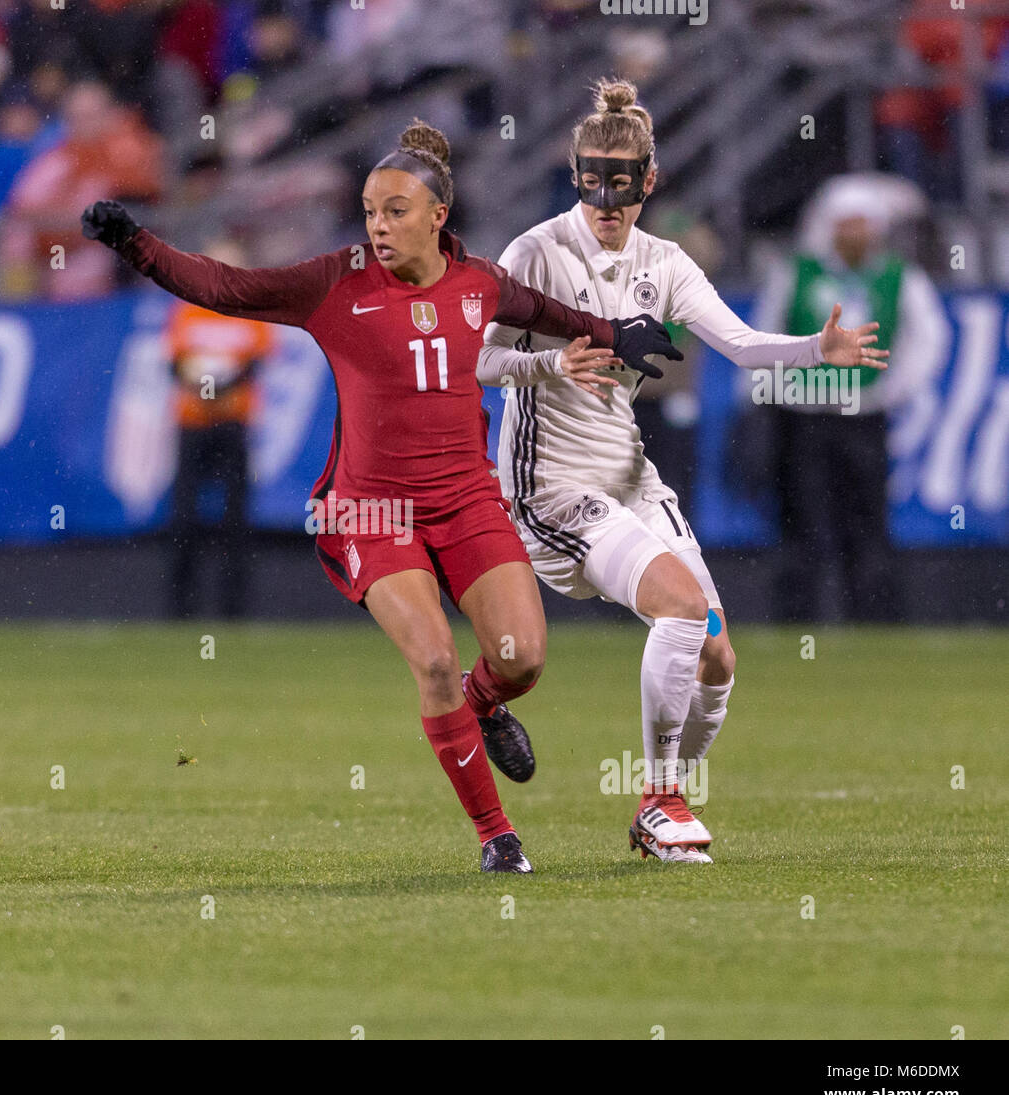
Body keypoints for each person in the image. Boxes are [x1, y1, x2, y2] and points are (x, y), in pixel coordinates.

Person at [84, 119, 679, 873]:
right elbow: (225, 288)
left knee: (521, 657)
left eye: (396, 209)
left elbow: (545, 313)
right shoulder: (337, 281)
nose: (378, 224)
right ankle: (498, 838)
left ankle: (484, 702)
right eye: (369, 209)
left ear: (438, 216)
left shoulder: (478, 282)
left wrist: (615, 332)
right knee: (432, 660)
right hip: (372, 509)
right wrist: (136, 243)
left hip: (466, 499)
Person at [477, 79, 887, 863]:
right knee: (682, 609)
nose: (606, 200)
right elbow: (475, 361)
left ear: (650, 181)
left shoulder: (665, 262)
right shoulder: (533, 253)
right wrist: (553, 363)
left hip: (633, 480)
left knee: (717, 655)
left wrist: (814, 350)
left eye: (621, 183)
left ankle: (655, 805)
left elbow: (740, 343)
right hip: (551, 486)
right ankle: (663, 801)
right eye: (592, 180)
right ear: (575, 176)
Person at [755, 179, 948, 623]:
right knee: (802, 523)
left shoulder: (899, 276)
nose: (854, 235)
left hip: (864, 417)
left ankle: (875, 621)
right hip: (803, 416)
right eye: (845, 225)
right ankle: (796, 622)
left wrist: (891, 389)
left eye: (862, 224)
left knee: (866, 524)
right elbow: (764, 337)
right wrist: (768, 397)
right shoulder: (798, 271)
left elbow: (930, 340)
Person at [166, 237, 270, 619]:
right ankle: (179, 607)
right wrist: (204, 386)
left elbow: (254, 365)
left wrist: (214, 387)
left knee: (234, 518)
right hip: (192, 423)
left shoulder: (250, 312)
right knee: (184, 516)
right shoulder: (188, 312)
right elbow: (173, 363)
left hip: (232, 423)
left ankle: (234, 608)